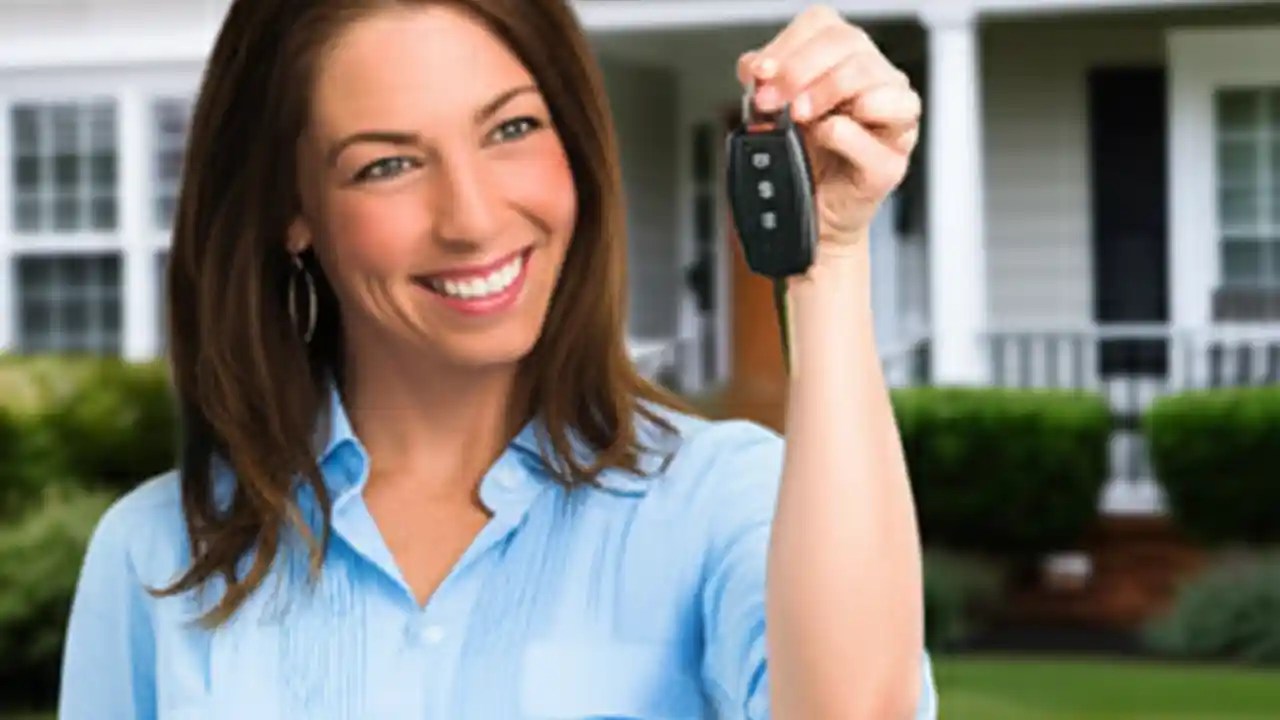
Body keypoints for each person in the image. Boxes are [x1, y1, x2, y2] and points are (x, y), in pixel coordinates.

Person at [58, 1, 935, 717]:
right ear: (295, 209)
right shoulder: (153, 555)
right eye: (389, 164)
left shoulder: (724, 505)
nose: (472, 218)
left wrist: (825, 257)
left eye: (512, 127)